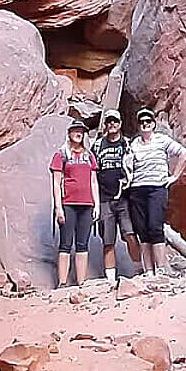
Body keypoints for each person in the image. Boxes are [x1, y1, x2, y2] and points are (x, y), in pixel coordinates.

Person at [125, 107, 186, 275]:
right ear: (138, 126)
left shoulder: (162, 140)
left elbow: (183, 153)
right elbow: (129, 166)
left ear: (153, 124)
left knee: (155, 227)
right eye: (142, 122)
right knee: (142, 231)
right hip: (136, 189)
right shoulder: (134, 144)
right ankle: (148, 271)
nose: (145, 124)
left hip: (156, 188)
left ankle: (160, 269)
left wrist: (174, 176)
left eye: (148, 121)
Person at [92, 109, 141, 286]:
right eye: (108, 122)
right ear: (105, 125)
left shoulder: (127, 144)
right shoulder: (97, 146)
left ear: (120, 124)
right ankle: (111, 279)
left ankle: (138, 271)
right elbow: (92, 173)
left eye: (115, 122)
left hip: (124, 199)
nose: (111, 125)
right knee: (108, 240)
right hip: (105, 199)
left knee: (130, 234)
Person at [49, 119, 99, 288]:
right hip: (68, 203)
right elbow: (56, 182)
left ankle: (81, 282)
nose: (79, 133)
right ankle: (62, 282)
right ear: (69, 133)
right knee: (65, 243)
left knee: (82, 243)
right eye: (75, 130)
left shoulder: (89, 155)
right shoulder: (61, 155)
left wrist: (96, 204)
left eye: (81, 131)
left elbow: (93, 181)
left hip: (86, 204)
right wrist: (58, 208)